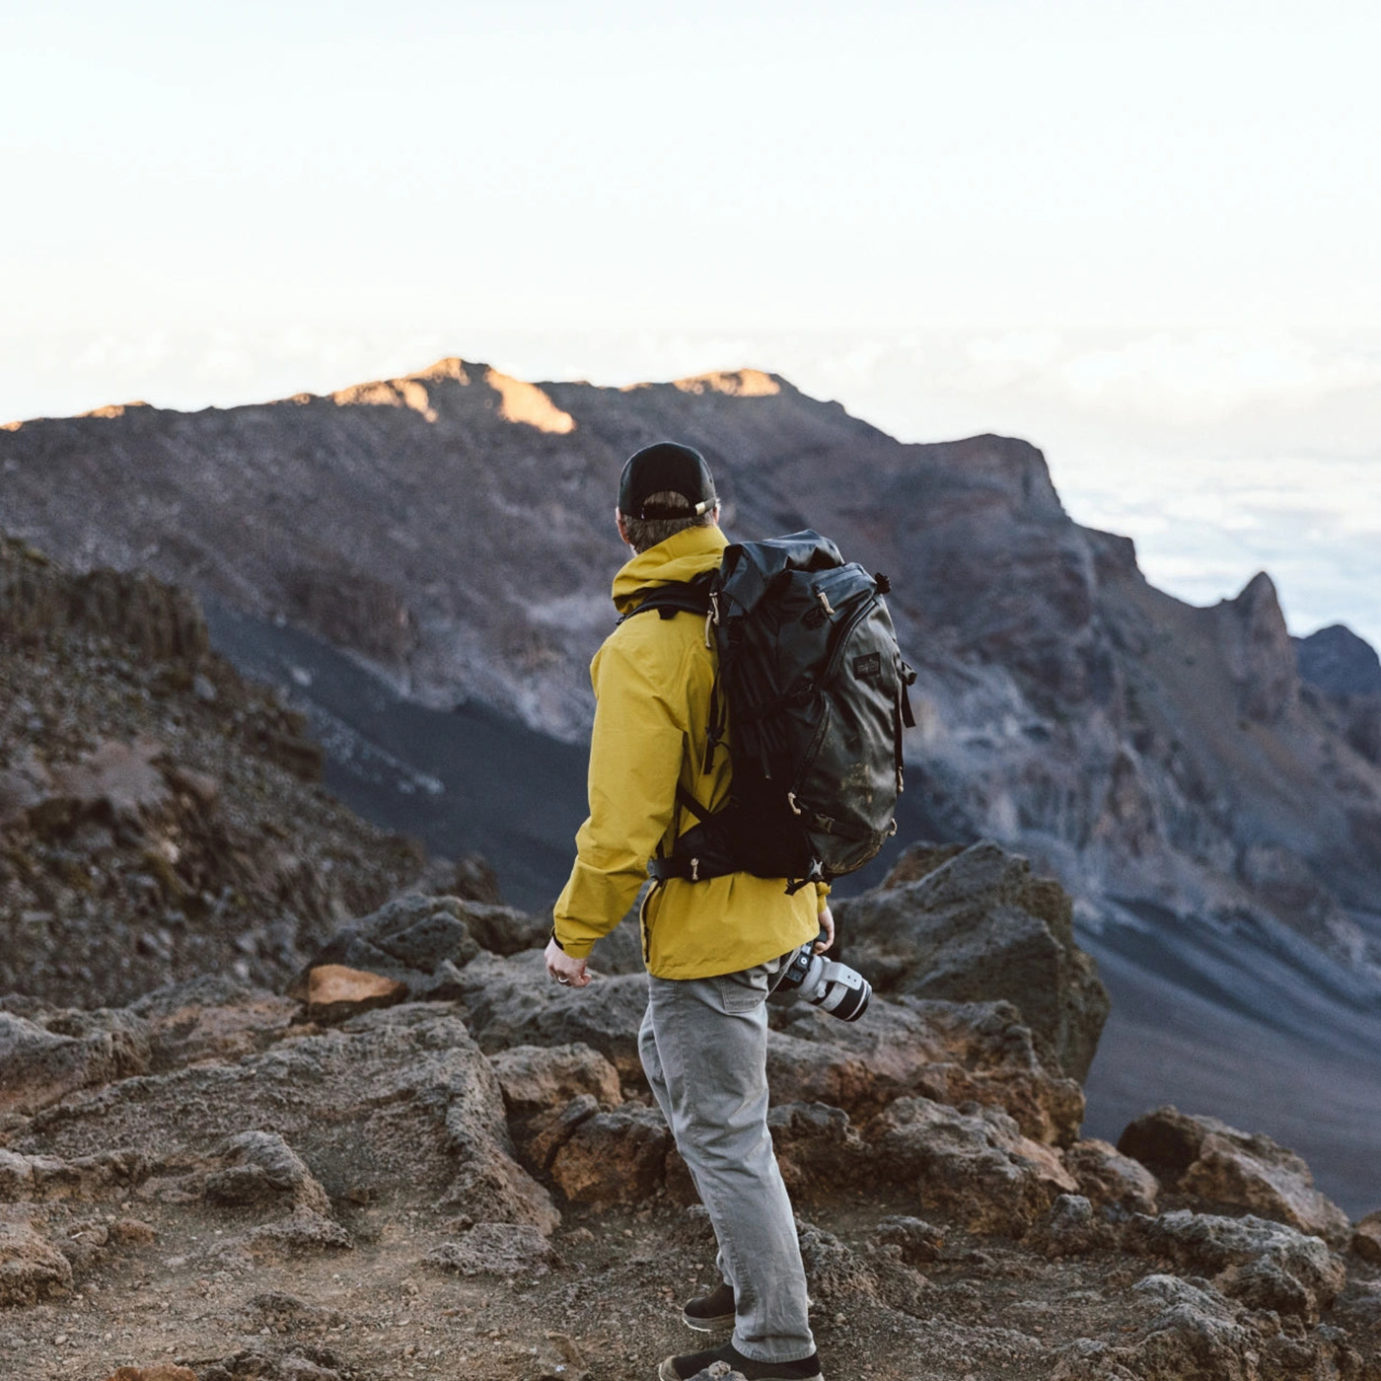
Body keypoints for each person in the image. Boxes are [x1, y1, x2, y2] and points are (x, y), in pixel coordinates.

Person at [545, 441, 829, 1381]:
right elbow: (805, 771)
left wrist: (573, 934)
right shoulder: (766, 612)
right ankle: (751, 1268)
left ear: (624, 528)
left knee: (725, 1133)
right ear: (714, 512)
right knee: (671, 1061)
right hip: (778, 898)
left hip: (713, 931)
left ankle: (775, 1348)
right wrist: (816, 892)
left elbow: (622, 826)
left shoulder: (643, 648)